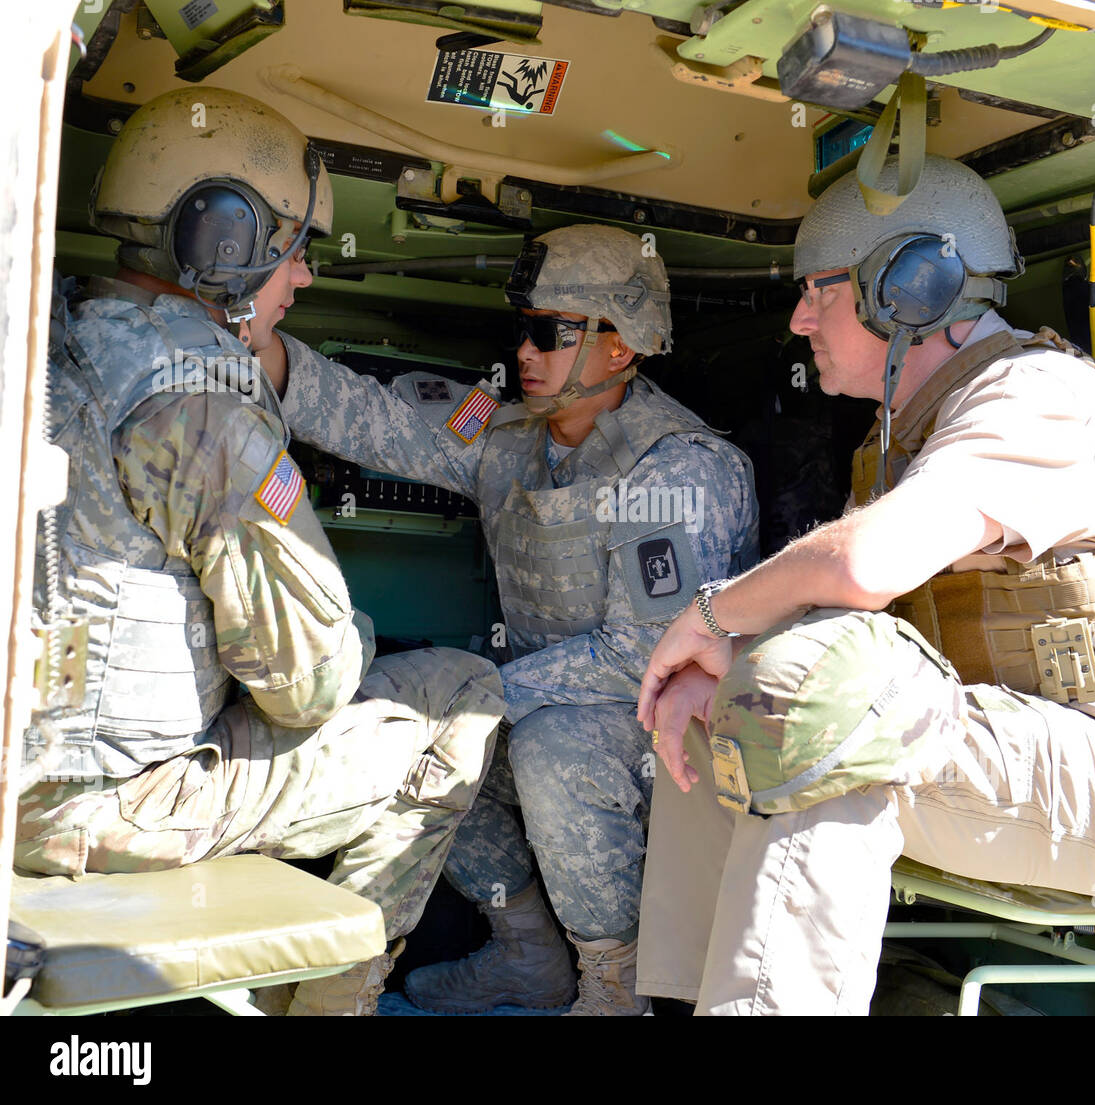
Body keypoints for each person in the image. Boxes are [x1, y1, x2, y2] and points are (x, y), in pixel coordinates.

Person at [636, 154, 1095, 1015]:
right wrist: (721, 654)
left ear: (908, 290)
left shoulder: (1036, 394)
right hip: (1017, 759)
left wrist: (710, 613)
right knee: (720, 710)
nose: (800, 318)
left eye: (822, 289)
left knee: (824, 717)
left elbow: (861, 566)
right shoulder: (905, 439)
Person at [16, 87, 504, 1017]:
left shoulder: (69, 326)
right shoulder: (203, 401)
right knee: (459, 699)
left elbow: (343, 405)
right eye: (295, 249)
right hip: (111, 805)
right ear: (224, 240)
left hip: (34, 776)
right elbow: (307, 684)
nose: (306, 278)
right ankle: (340, 1001)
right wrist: (355, 629)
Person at [264, 224, 759, 1014]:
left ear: (621, 348)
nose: (523, 351)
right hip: (547, 701)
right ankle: (527, 950)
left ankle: (618, 979)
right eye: (522, 328)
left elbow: (643, 655)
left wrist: (479, 687)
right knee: (421, 732)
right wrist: (264, 353)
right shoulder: (514, 437)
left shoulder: (675, 468)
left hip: (660, 724)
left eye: (548, 333)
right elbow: (380, 420)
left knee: (540, 742)